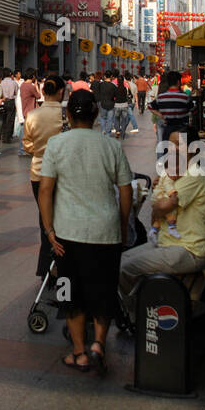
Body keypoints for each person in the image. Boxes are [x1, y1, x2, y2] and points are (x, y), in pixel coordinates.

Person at [38, 89, 132, 374]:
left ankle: (78, 352)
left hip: (68, 235)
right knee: (103, 288)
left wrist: (49, 230)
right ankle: (99, 345)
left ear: (68, 115)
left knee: (70, 292)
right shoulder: (112, 146)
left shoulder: (56, 145)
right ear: (95, 115)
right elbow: (126, 191)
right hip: (106, 233)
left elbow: (45, 189)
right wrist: (123, 225)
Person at [119, 130, 205, 323]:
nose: (172, 150)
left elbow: (162, 207)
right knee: (121, 261)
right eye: (170, 145)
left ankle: (138, 319)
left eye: (178, 145)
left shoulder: (193, 174)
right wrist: (160, 196)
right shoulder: (174, 173)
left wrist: (159, 196)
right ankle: (137, 311)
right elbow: (157, 210)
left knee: (124, 268)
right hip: (166, 242)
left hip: (189, 249)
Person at [22, 76, 65, 282]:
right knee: (62, 218)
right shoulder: (66, 115)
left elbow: (27, 144)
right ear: (61, 92)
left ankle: (45, 267)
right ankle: (60, 264)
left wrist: (39, 151)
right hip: (62, 173)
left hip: (38, 171)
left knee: (44, 219)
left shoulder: (32, 115)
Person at [150, 70, 195, 143]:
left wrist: (161, 115)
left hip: (168, 129)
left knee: (165, 148)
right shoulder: (184, 97)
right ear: (178, 82)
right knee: (182, 150)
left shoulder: (161, 97)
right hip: (181, 129)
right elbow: (192, 108)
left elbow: (150, 107)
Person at [17, 69, 40, 156]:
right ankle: (23, 149)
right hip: (31, 111)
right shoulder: (31, 86)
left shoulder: (22, 85)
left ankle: (23, 149)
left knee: (24, 130)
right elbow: (38, 96)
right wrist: (36, 86)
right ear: (33, 76)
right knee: (27, 132)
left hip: (25, 110)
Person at [94, 70, 119, 136]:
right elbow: (116, 95)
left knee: (103, 118)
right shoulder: (114, 86)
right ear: (111, 76)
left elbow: (98, 93)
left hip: (103, 104)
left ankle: (103, 130)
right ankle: (108, 133)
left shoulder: (100, 84)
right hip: (111, 104)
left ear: (104, 76)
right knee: (110, 119)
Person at [0, 68, 18, 144]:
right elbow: (16, 93)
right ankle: (8, 136)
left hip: (3, 101)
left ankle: (3, 136)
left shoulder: (1, 83)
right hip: (11, 101)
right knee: (10, 119)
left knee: (3, 119)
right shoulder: (14, 83)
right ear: (10, 74)